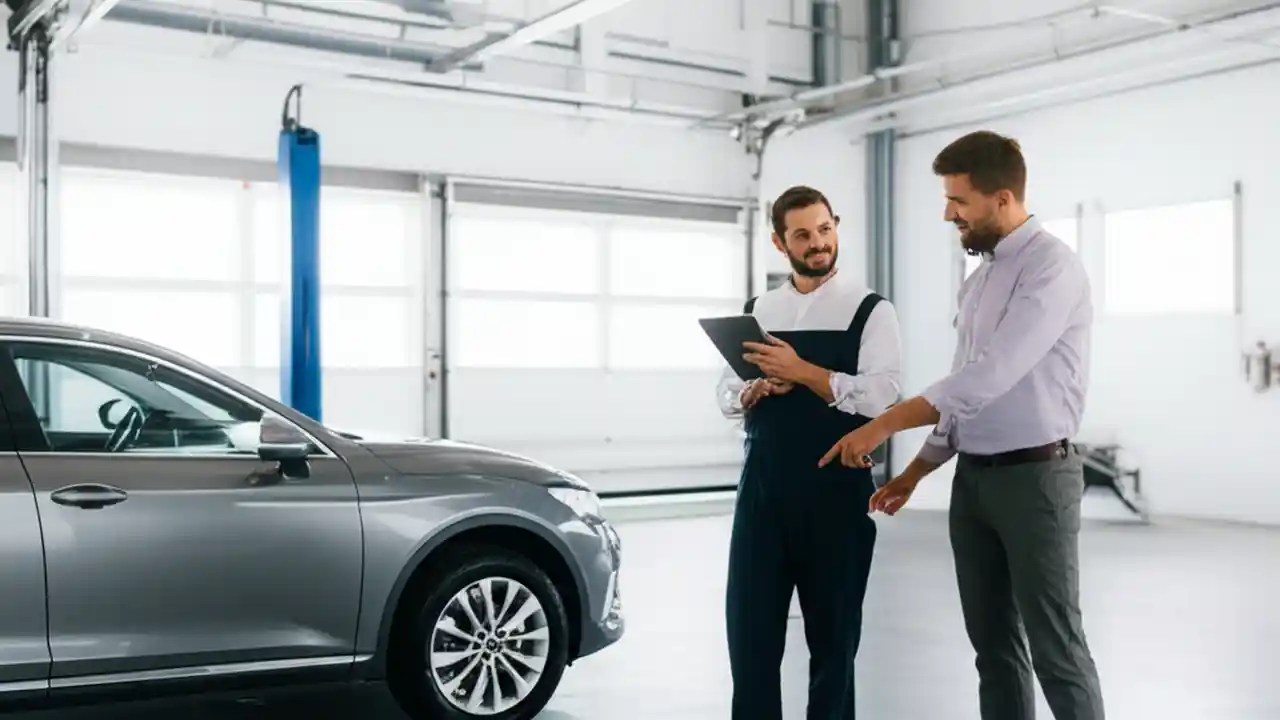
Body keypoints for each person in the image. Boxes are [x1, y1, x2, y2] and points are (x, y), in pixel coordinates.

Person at [819, 131, 1105, 720]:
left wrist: (882, 426)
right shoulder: (979, 280)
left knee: (1057, 650)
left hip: (1036, 481)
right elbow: (962, 394)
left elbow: (989, 376)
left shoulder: (1052, 269)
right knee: (994, 651)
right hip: (973, 481)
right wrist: (916, 472)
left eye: (958, 200)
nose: (948, 213)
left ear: (1002, 198)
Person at [716, 185, 902, 719]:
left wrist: (804, 372)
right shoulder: (759, 310)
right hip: (762, 496)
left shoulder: (870, 310)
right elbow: (725, 391)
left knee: (833, 646)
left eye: (825, 229)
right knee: (749, 641)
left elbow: (883, 394)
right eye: (802, 235)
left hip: (835, 496)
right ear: (780, 243)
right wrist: (750, 391)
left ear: (835, 225)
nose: (818, 242)